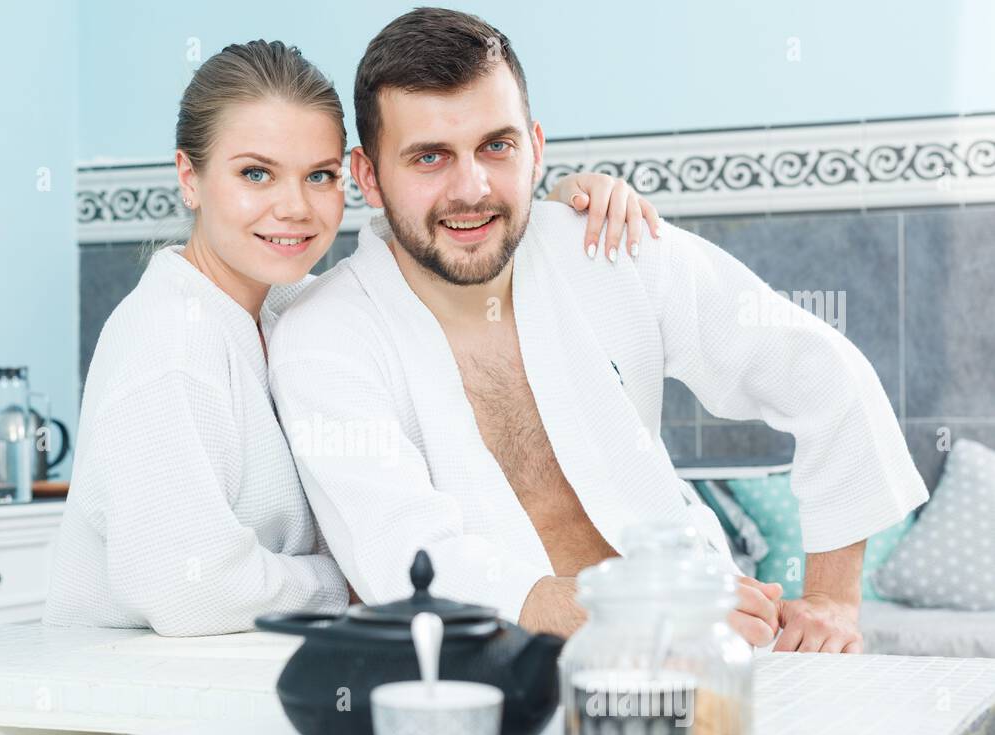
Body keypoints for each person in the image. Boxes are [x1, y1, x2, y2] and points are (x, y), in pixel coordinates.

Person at [267, 8, 929, 652]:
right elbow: (405, 556)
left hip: (711, 653)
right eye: (430, 158)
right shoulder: (324, 339)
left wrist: (833, 602)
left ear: (536, 150)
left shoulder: (609, 247)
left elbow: (820, 371)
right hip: (499, 685)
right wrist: (646, 608)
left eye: (496, 146)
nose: (471, 188)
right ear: (368, 177)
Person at [43, 38, 657, 635]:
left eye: (319, 176)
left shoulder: (291, 306)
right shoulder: (166, 345)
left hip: (249, 680)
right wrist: (352, 580)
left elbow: (418, 245)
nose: (294, 207)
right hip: (127, 696)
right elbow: (188, 589)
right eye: (256, 174)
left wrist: (542, 212)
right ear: (190, 177)